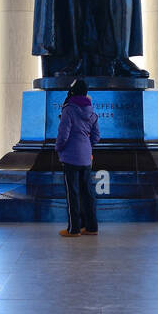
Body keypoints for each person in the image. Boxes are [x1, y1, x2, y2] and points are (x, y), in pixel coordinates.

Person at [54, 79, 100, 237]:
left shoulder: (69, 109)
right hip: (86, 157)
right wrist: (87, 146)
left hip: (70, 157)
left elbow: (63, 134)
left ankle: (74, 229)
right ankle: (91, 227)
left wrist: (58, 147)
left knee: (72, 193)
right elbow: (96, 136)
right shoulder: (91, 111)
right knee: (87, 192)